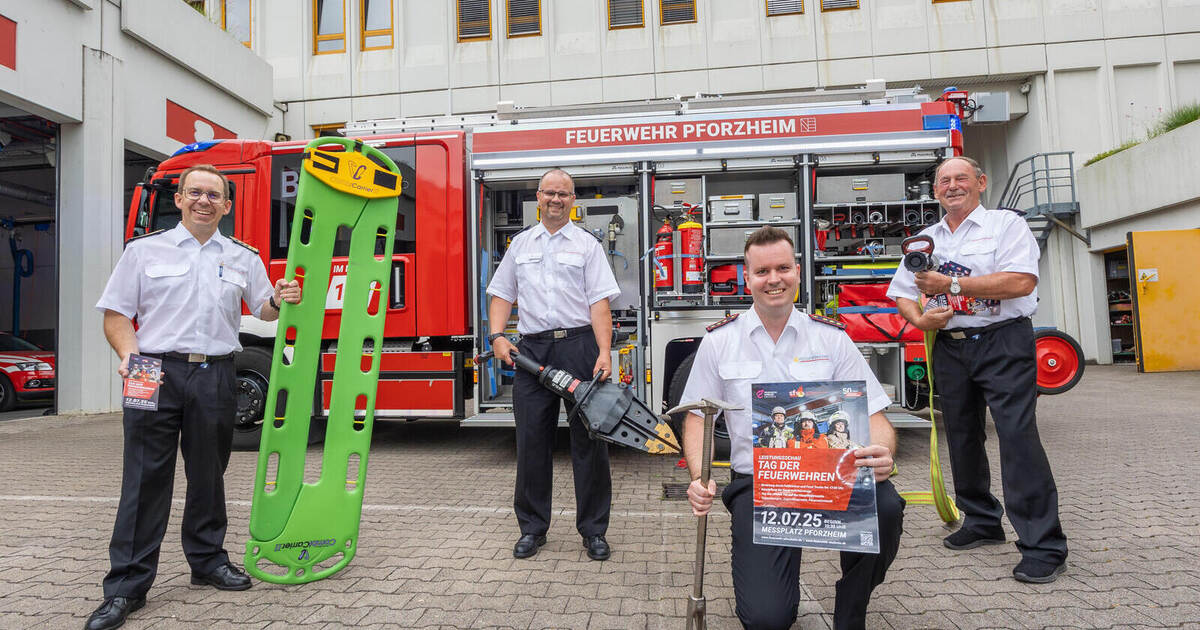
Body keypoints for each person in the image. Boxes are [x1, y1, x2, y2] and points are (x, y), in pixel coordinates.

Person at [86, 165, 301, 630]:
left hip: (216, 372)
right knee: (145, 480)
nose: (204, 201)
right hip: (152, 369)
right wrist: (129, 354)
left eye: (214, 195)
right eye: (195, 193)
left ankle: (207, 562)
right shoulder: (143, 252)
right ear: (179, 198)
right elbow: (117, 315)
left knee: (209, 474)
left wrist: (283, 297)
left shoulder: (243, 256)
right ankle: (126, 587)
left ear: (227, 206)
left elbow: (265, 307)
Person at [682, 226, 904, 630]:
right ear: (746, 276)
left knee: (887, 506)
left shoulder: (832, 339)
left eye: (783, 268)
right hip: (761, 484)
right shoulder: (719, 342)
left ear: (798, 272)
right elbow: (698, 415)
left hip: (832, 475)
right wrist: (700, 477)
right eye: (762, 271)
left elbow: (874, 414)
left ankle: (851, 608)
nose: (774, 279)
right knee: (767, 620)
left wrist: (883, 450)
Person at [886, 155, 1068, 584]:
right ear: (934, 191)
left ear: (980, 183)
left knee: (1017, 438)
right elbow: (901, 293)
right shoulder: (924, 240)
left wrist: (951, 284)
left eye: (961, 178)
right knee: (963, 437)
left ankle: (1044, 546)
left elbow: (1021, 281)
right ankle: (982, 520)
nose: (952, 186)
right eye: (943, 181)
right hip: (952, 347)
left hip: (1003, 340)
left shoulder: (1006, 226)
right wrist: (920, 319)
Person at [485, 168, 621, 561]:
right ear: (538, 197)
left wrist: (603, 351)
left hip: (578, 347)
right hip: (531, 352)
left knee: (590, 442)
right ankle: (532, 529)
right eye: (550, 193)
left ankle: (594, 531)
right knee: (531, 442)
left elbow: (599, 303)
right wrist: (497, 336)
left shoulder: (587, 245)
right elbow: (501, 293)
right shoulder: (520, 245)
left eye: (564, 194)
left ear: (572, 200)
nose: (556, 200)